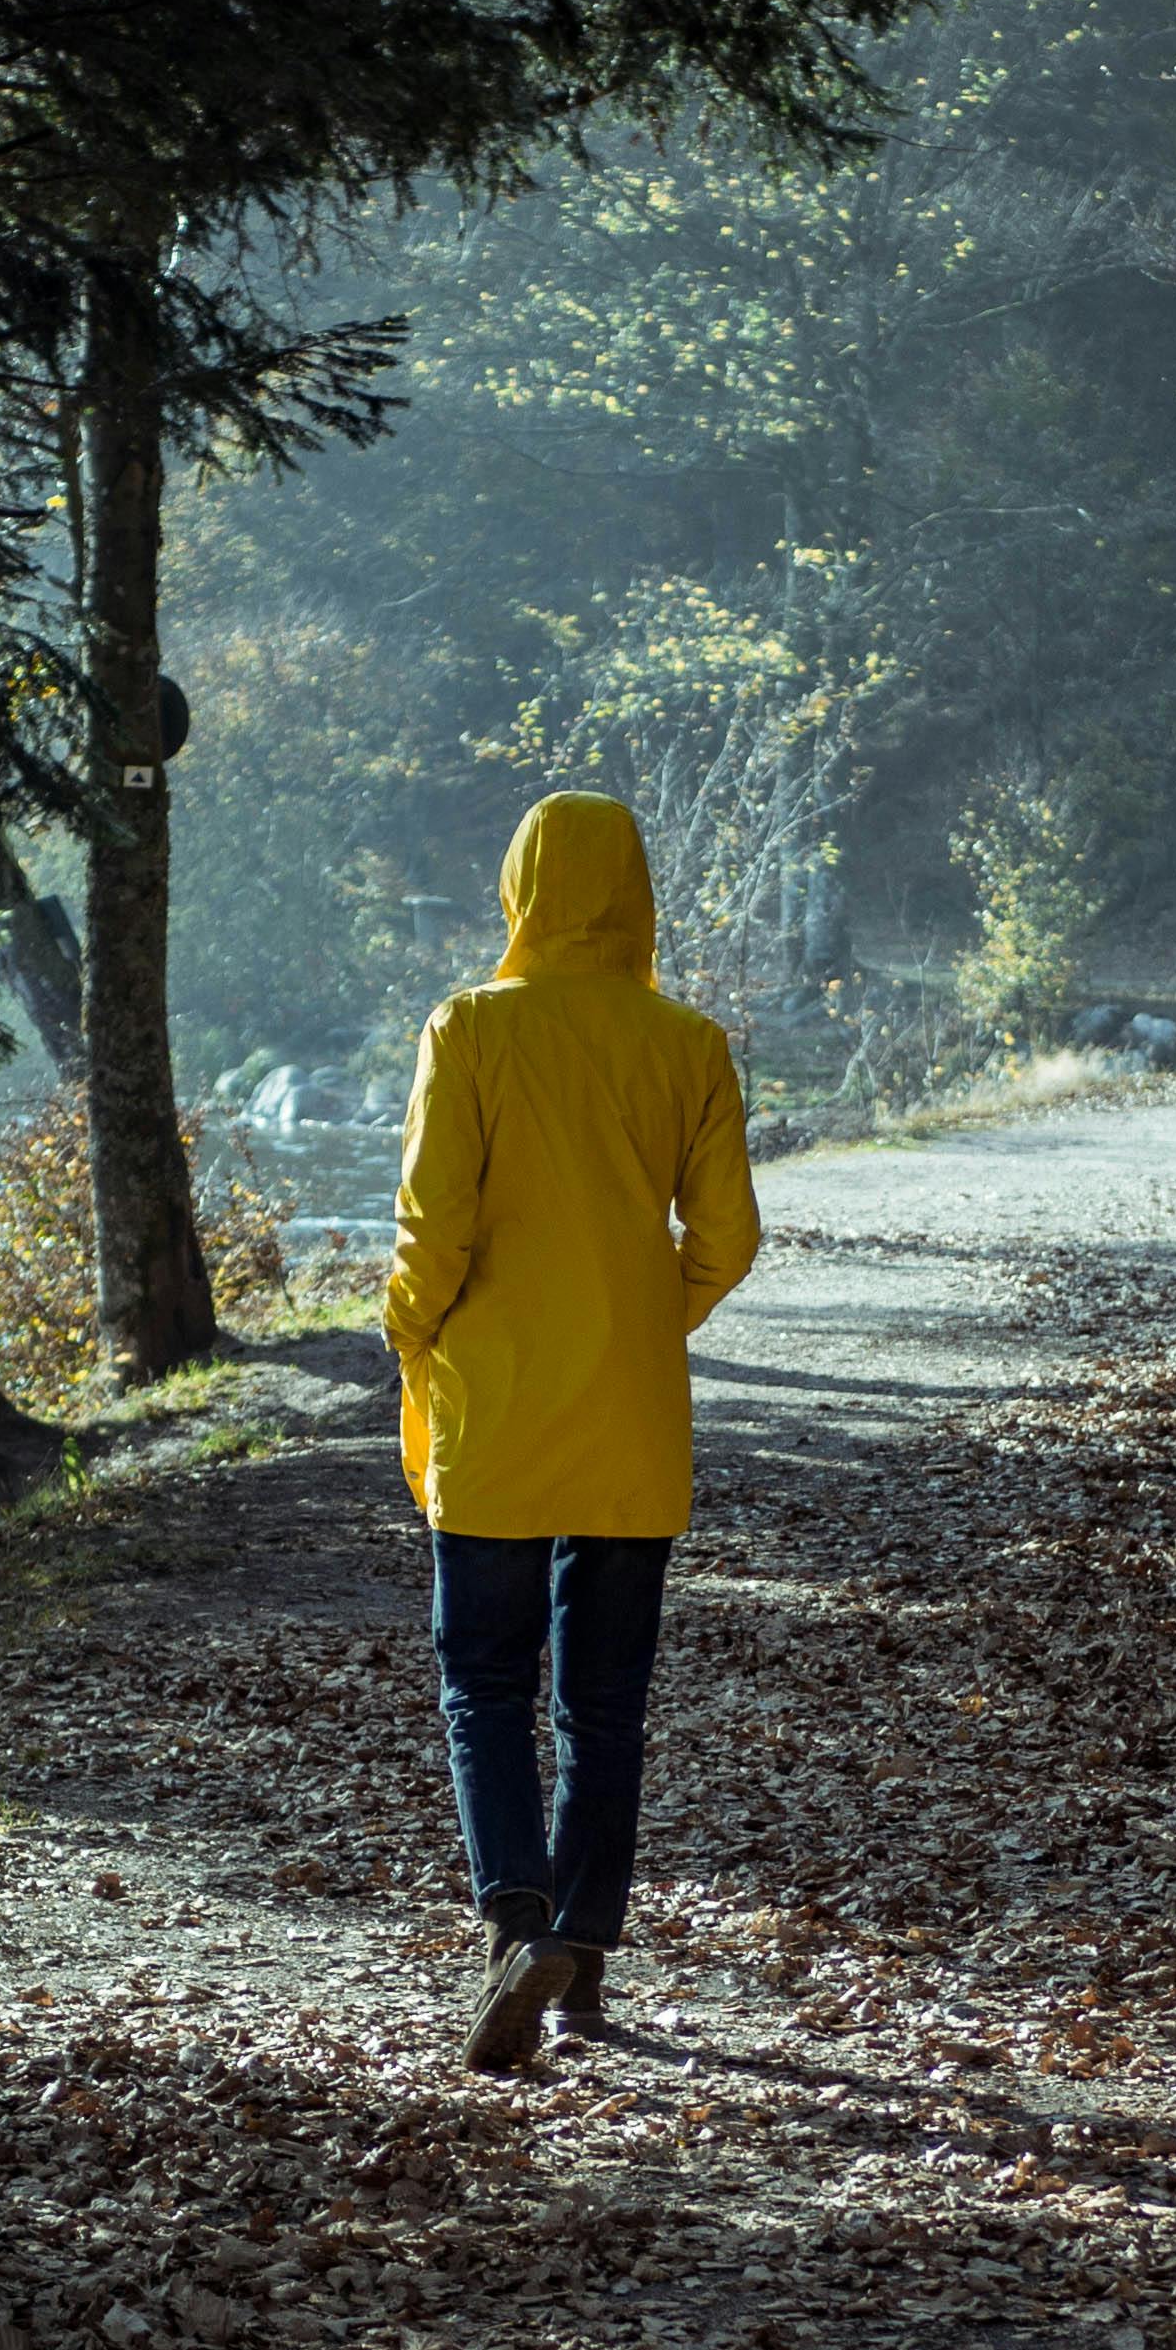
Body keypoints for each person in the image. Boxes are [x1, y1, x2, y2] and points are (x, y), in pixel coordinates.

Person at [383, 792, 762, 2072]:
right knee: (605, 1706)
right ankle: (585, 1949)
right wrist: (652, 1319)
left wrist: (412, 1331)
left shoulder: (471, 1027)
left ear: (523, 885)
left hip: (493, 1411)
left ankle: (516, 1926)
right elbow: (728, 1239)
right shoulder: (688, 1043)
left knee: (485, 1685)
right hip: (629, 1418)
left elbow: (434, 1225)